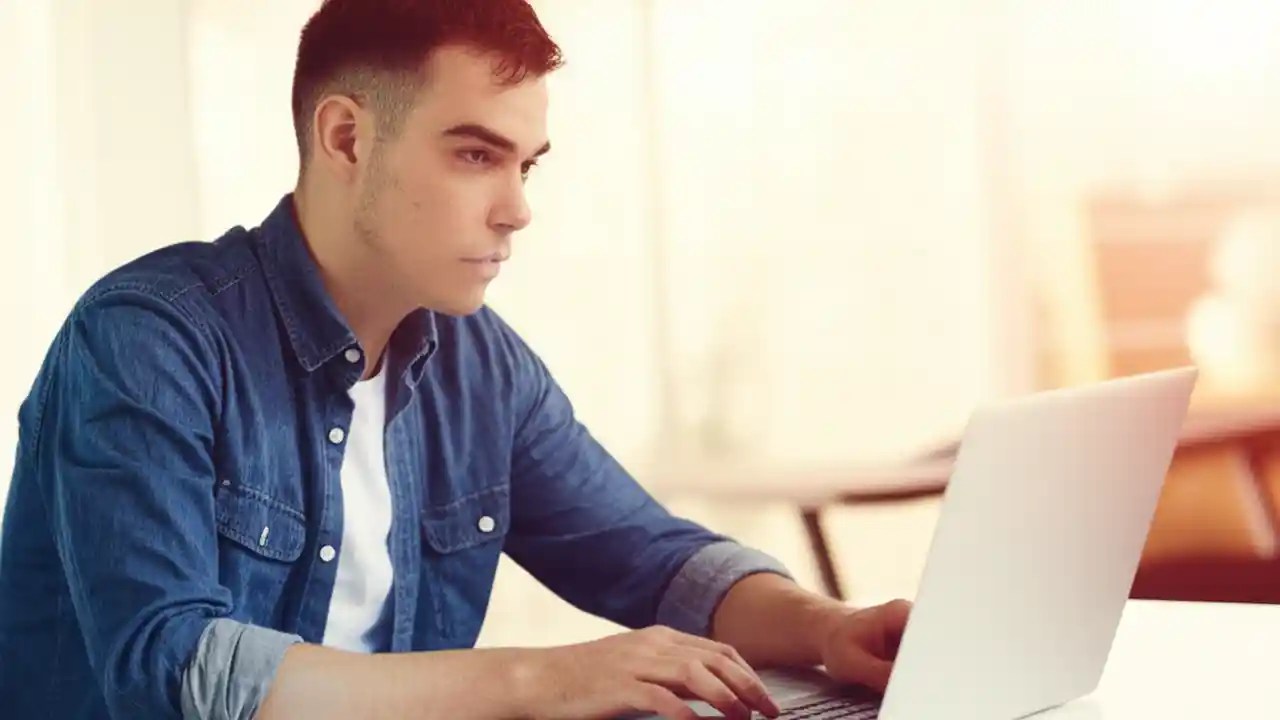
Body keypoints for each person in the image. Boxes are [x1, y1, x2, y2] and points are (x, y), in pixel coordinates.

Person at [0, 2, 911, 718]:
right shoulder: (148, 338)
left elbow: (653, 559)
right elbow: (176, 670)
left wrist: (831, 632)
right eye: (477, 154)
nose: (517, 209)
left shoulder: (480, 366)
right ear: (347, 138)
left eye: (528, 166)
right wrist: (535, 685)